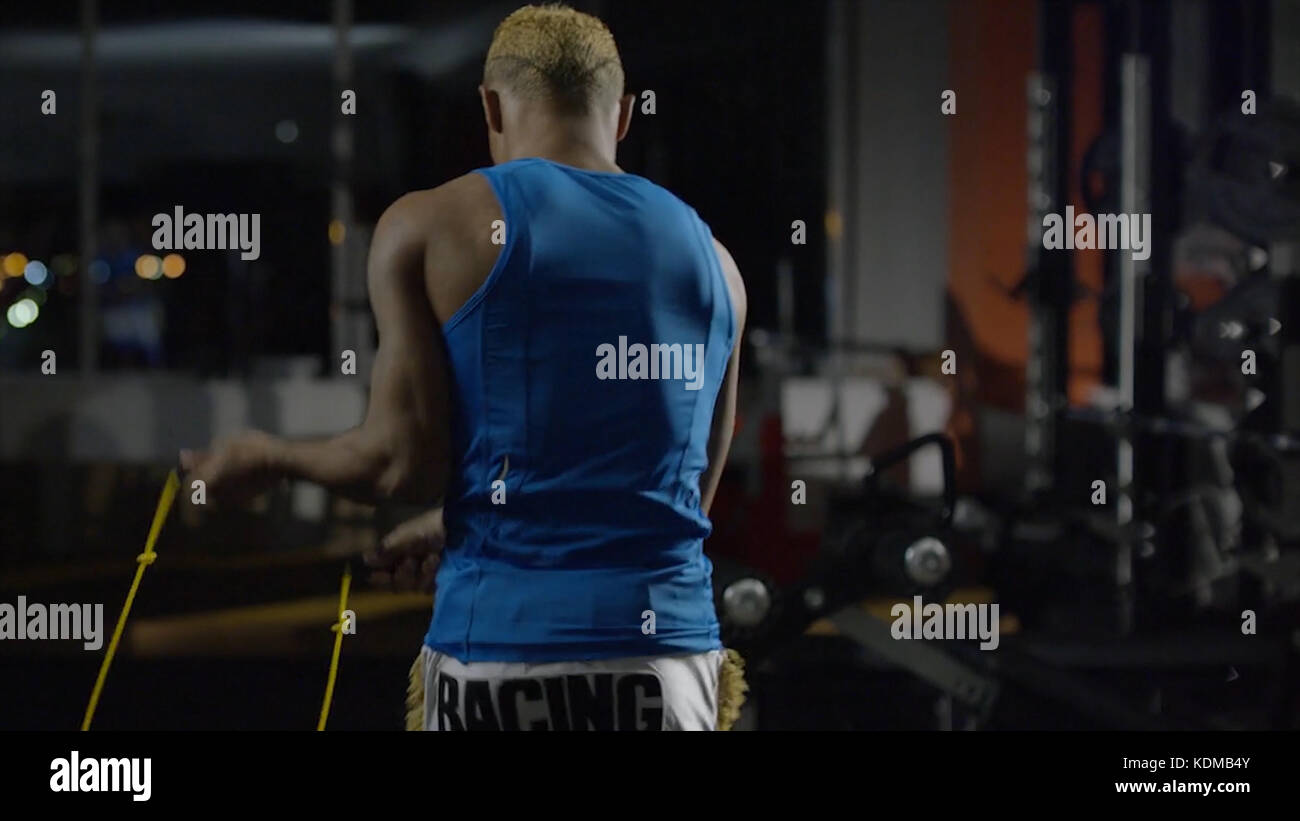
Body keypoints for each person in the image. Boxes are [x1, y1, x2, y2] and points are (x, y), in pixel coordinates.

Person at [182, 3, 747, 731]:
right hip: (671, 663)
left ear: (489, 105)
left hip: (503, 651)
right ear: (625, 115)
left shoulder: (432, 224)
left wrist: (268, 453)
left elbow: (397, 462)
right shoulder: (717, 263)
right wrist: (468, 516)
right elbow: (683, 499)